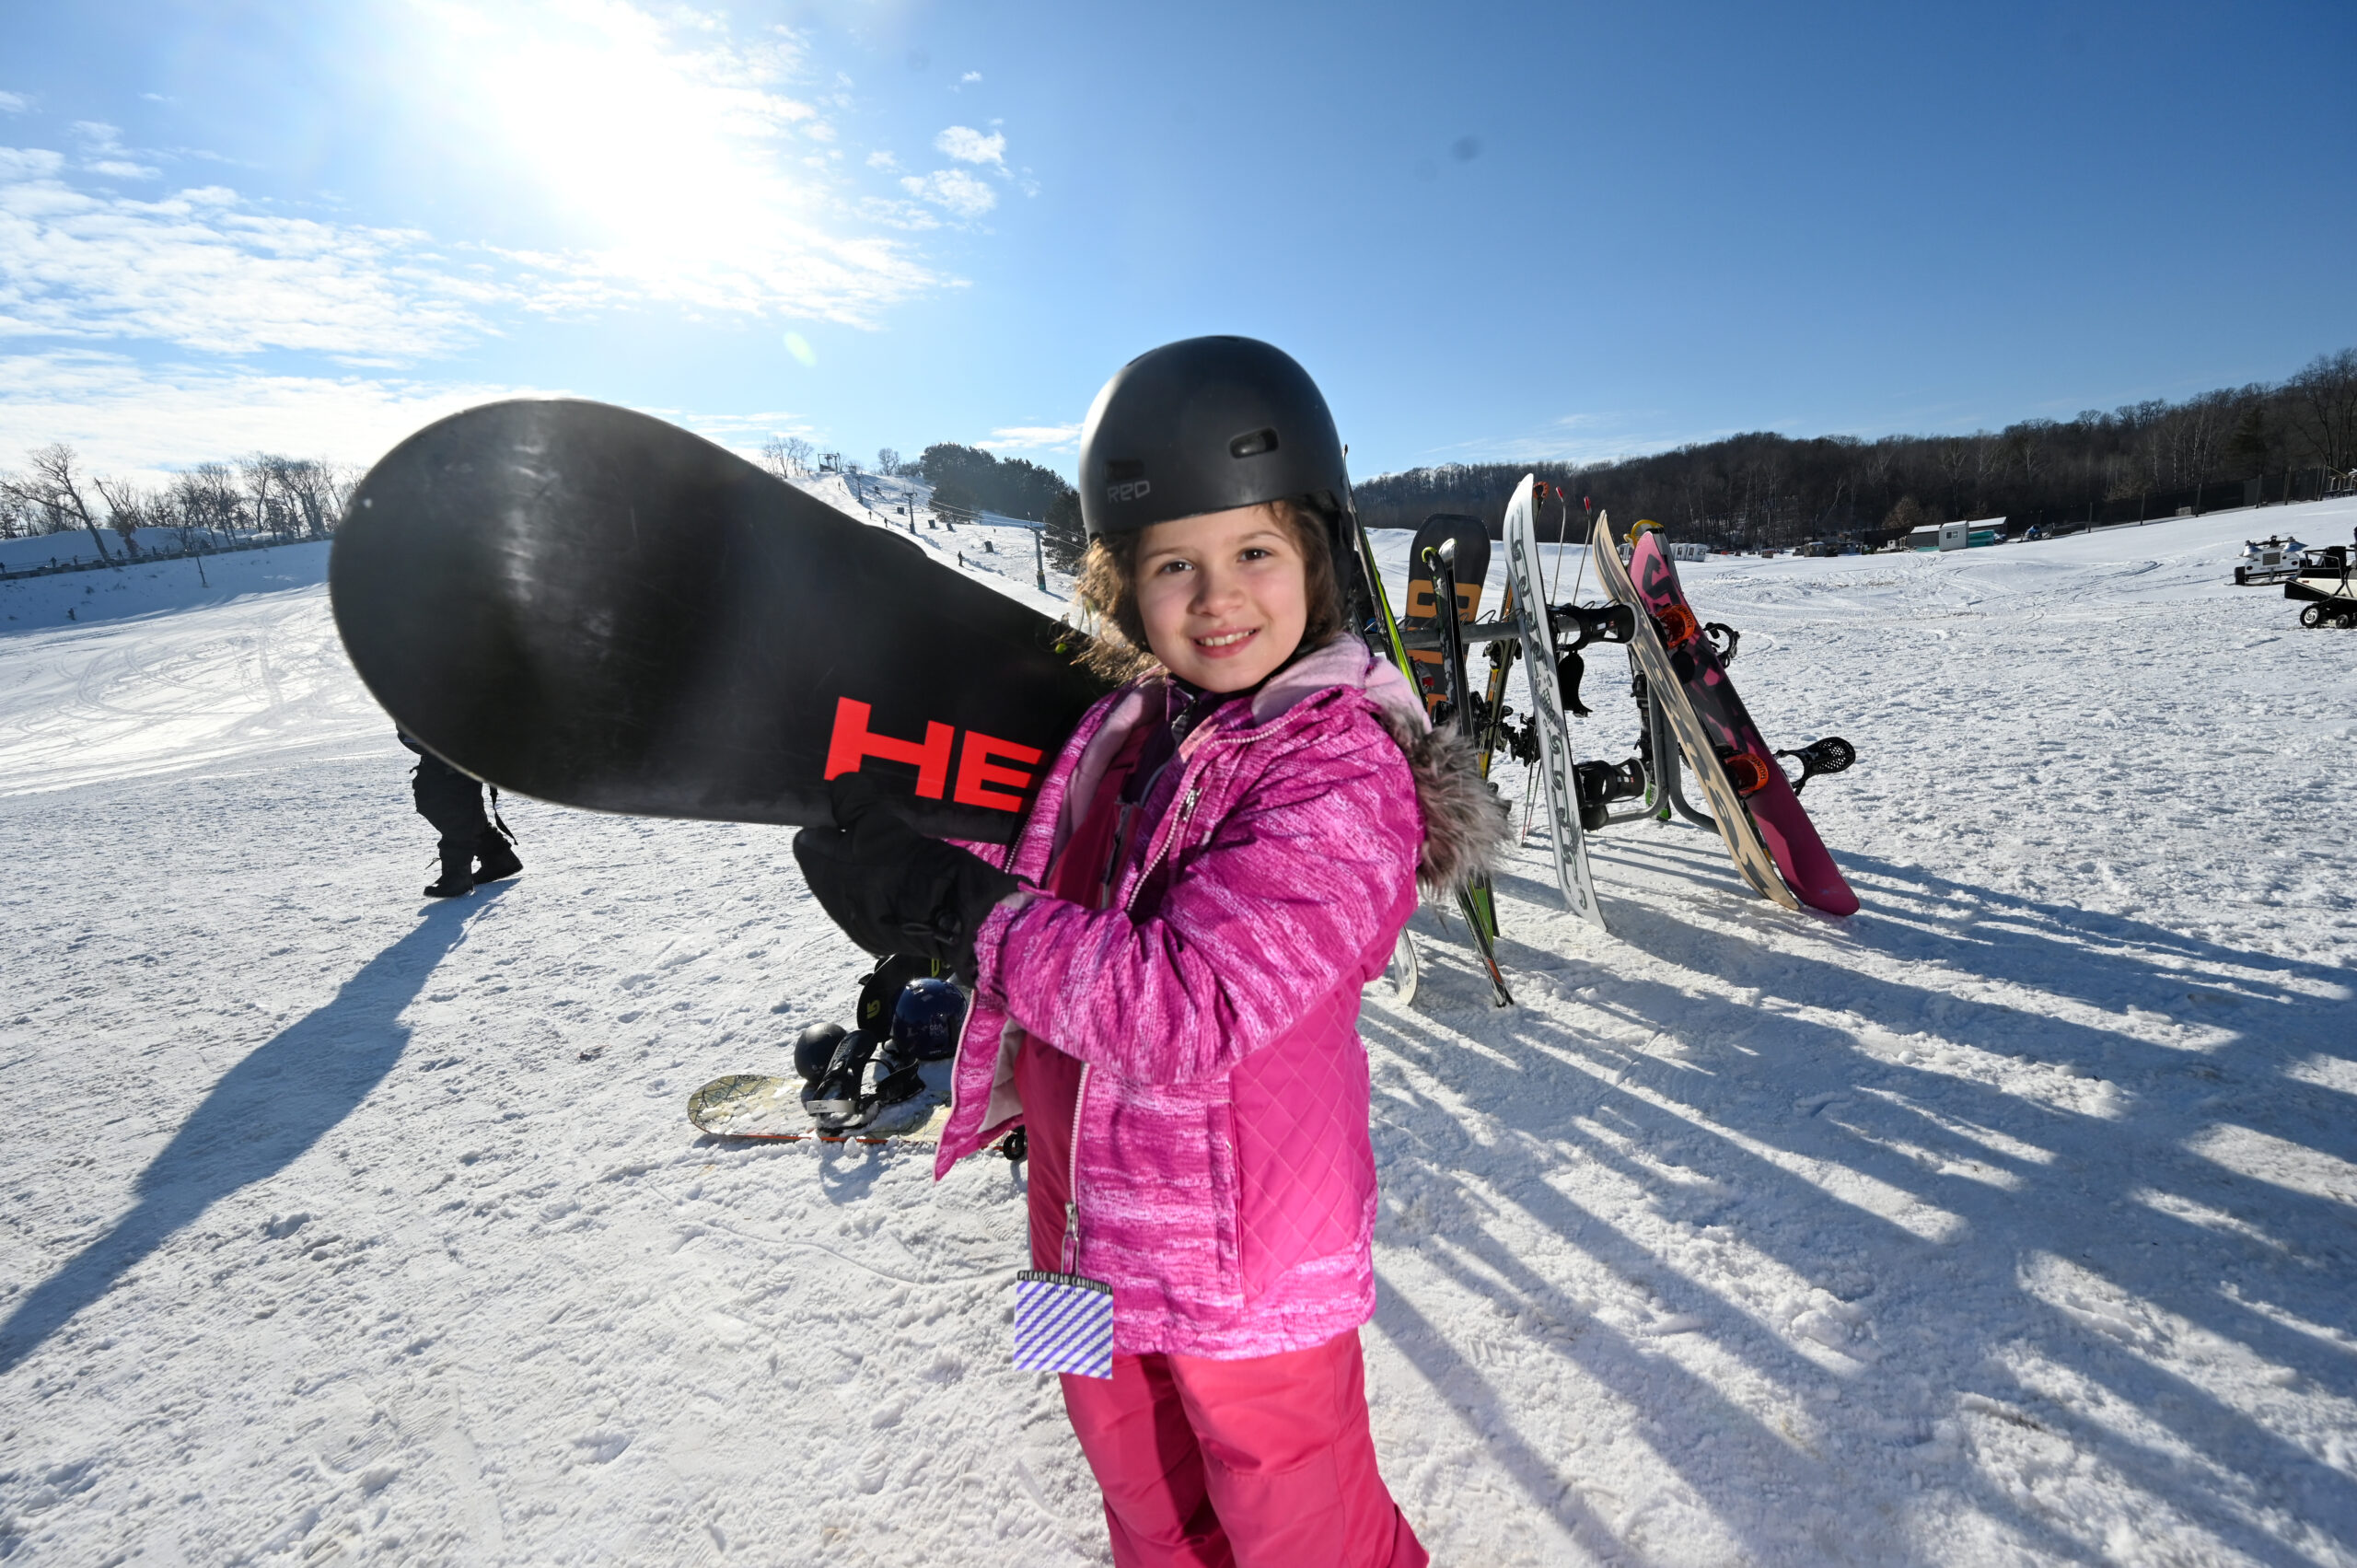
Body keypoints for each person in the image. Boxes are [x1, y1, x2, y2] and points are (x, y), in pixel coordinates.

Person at [795, 336, 1502, 1567]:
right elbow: (1050, 896)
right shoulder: (1121, 730)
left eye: (1254, 551)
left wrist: (960, 910)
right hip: (1069, 1234)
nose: (1217, 594)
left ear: (1319, 562)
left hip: (1252, 1276)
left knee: (1301, 1533)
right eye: (1175, 561)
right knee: (1139, 1510)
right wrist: (915, 879)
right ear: (1124, 584)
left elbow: (1188, 1011)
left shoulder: (1337, 772)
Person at [397, 732, 522, 898]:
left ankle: (457, 875)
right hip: (442, 749)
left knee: (454, 807)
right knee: (432, 800)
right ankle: (497, 857)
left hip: (460, 747)